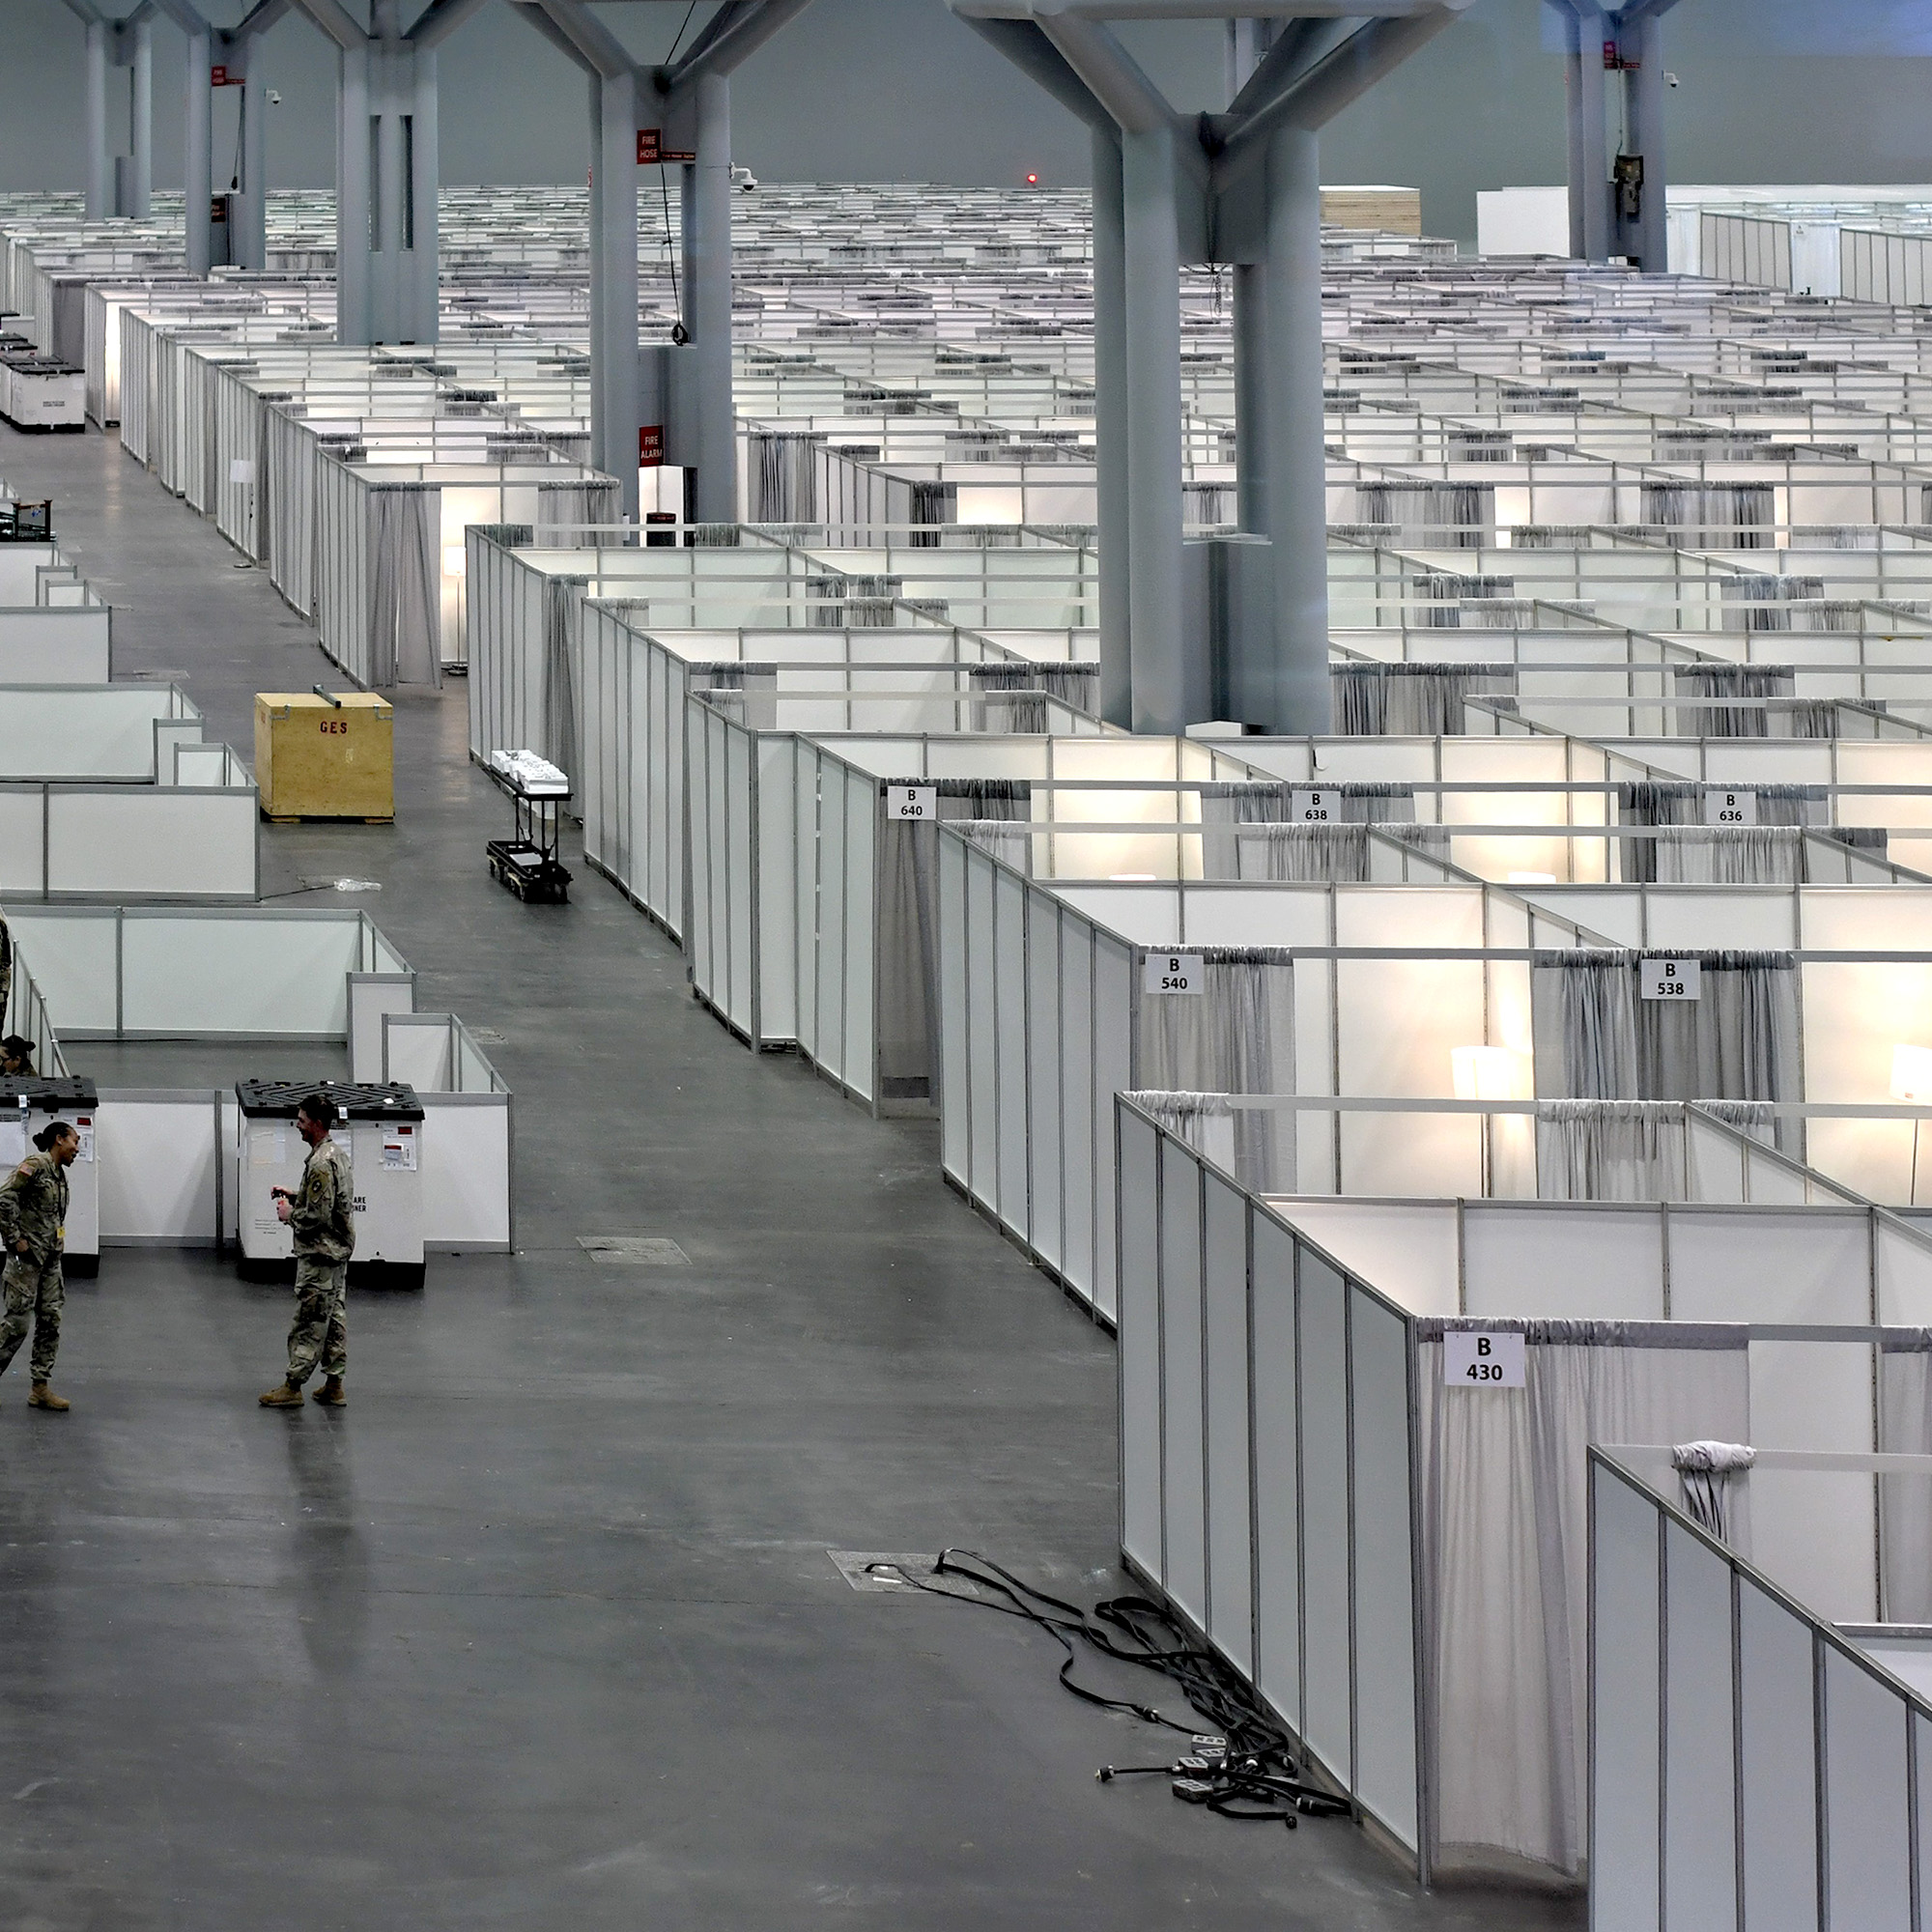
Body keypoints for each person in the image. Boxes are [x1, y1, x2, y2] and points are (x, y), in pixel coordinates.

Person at [259, 1093, 355, 1410]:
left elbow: (317, 1216)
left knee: (310, 1320)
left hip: (319, 1256)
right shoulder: (336, 1155)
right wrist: (297, 1195)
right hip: (337, 1254)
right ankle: (334, 1384)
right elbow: (328, 1201)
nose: (297, 1126)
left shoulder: (318, 1164)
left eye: (301, 1120)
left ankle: (293, 1385)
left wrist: (290, 1215)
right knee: (334, 1319)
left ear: (315, 1123)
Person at [0, 1120, 79, 1410]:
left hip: (49, 1261)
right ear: (59, 1140)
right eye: (74, 1141)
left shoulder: (59, 1174)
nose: (77, 1149)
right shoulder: (35, 1165)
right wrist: (14, 1238)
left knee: (50, 1322)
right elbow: (4, 1198)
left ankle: (40, 1388)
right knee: (16, 1325)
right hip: (26, 1262)